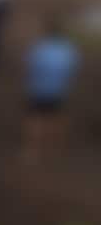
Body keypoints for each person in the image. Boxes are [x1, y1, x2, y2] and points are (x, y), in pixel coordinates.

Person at [24, 23, 79, 161]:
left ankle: (33, 150)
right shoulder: (68, 50)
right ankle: (55, 148)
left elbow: (30, 66)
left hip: (38, 88)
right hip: (59, 90)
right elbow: (72, 70)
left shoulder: (39, 48)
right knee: (56, 117)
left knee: (36, 118)